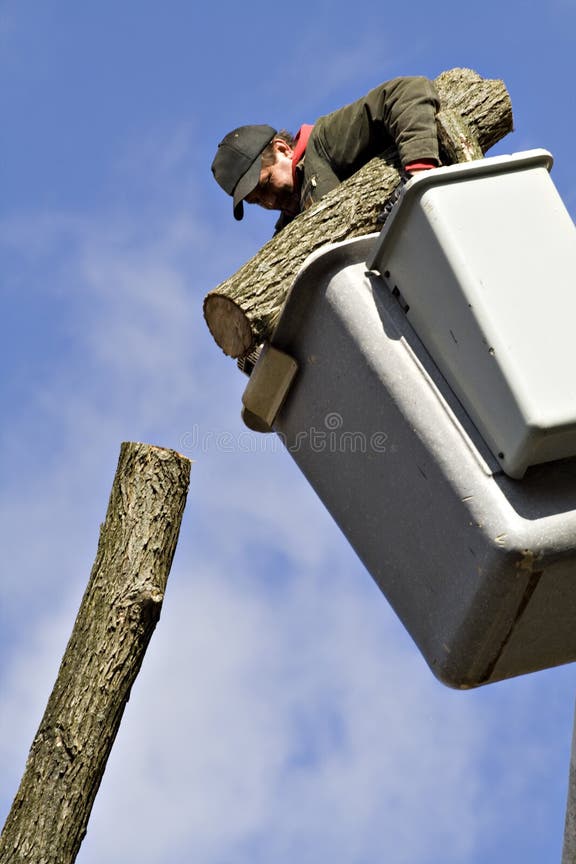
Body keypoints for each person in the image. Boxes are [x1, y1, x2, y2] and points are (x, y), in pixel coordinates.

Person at [211, 76, 441, 233]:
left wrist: (417, 178)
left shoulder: (324, 141)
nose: (269, 201)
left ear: (283, 149)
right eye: (257, 201)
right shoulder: (287, 232)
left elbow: (407, 91)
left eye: (266, 184)